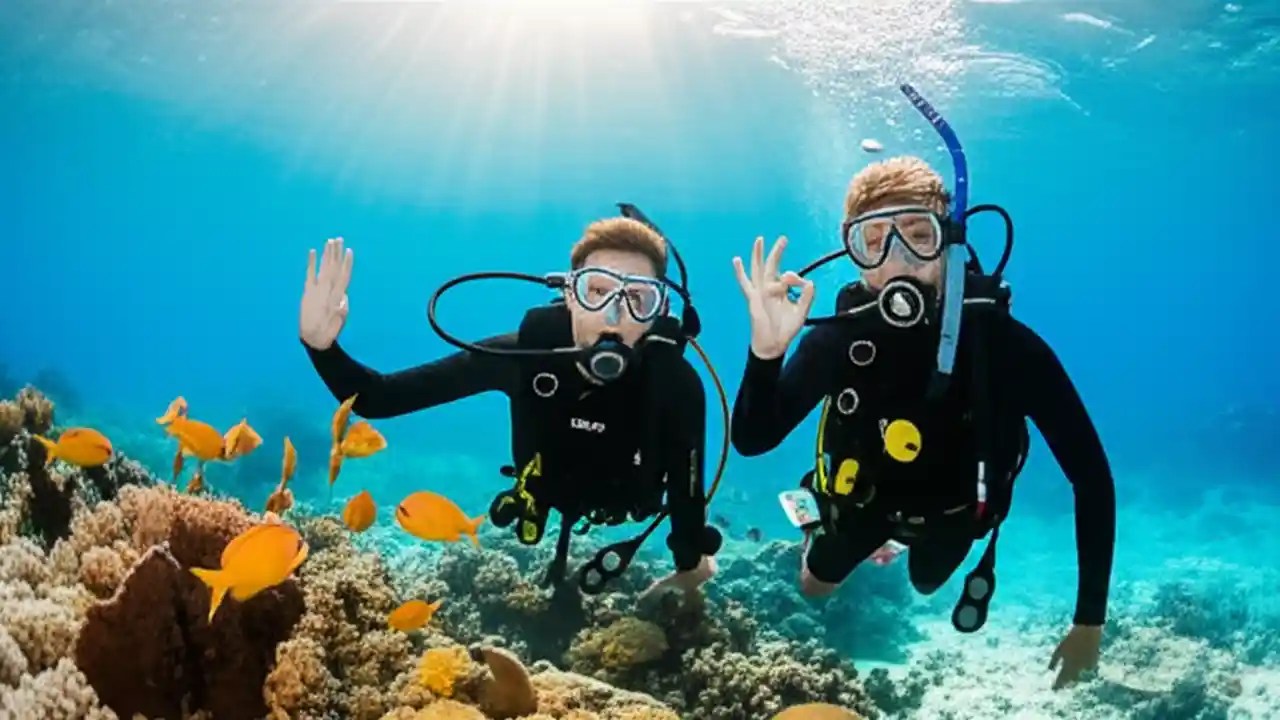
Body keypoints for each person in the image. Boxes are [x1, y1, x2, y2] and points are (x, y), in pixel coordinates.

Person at [728, 85, 1115, 690]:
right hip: (858, 502)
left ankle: (900, 550)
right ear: (853, 255)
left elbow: (1091, 476)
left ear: (950, 244)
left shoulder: (1007, 347)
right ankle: (838, 536)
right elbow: (752, 439)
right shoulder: (837, 340)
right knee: (813, 588)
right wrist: (766, 353)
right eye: (874, 242)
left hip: (956, 516)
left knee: (929, 583)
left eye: (919, 235)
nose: (899, 260)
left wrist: (1089, 620)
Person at [299, 213, 723, 600]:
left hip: (624, 506)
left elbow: (688, 491)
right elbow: (380, 398)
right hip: (541, 489)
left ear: (658, 312)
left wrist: (689, 566)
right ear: (569, 295)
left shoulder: (676, 386)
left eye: (638, 299)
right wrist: (322, 348)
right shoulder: (522, 356)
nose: (613, 315)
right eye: (596, 290)